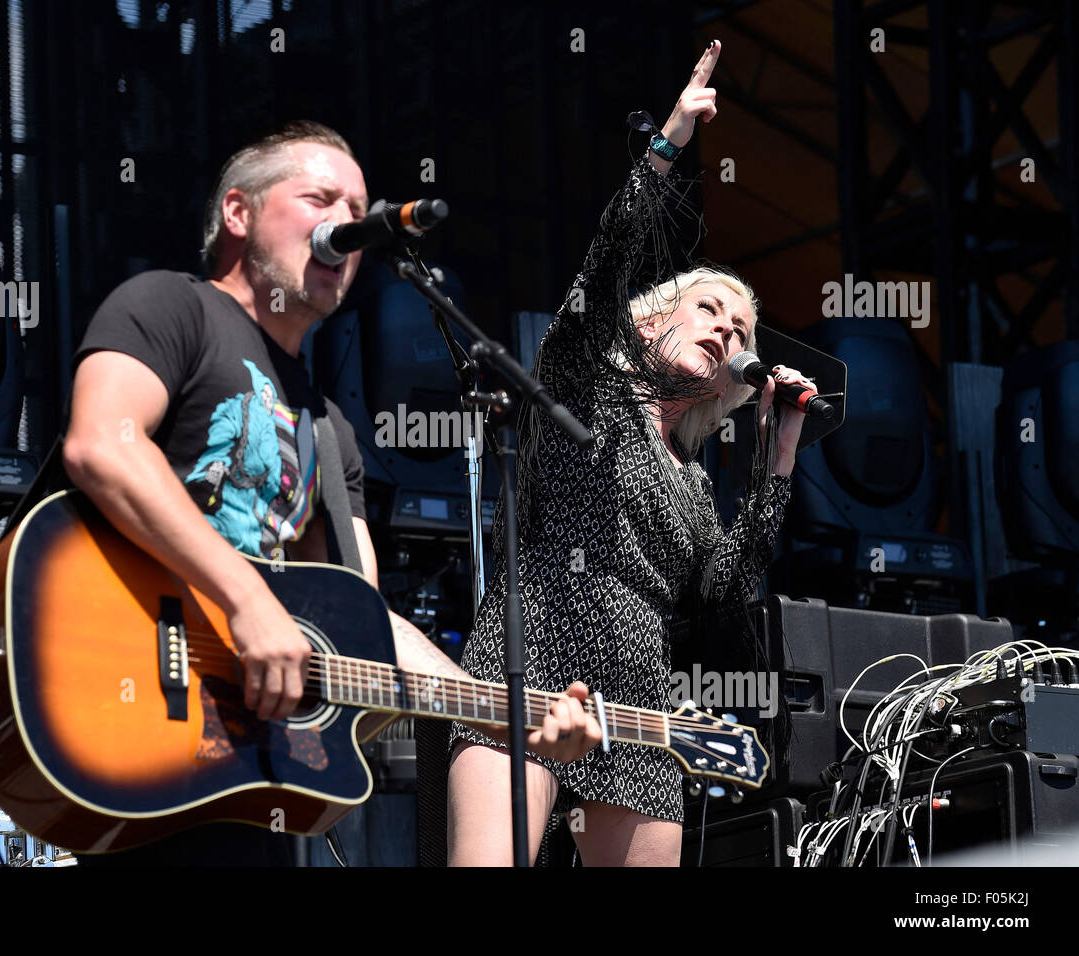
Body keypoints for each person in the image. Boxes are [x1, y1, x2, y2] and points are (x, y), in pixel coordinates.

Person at [62, 120, 601, 865]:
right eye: (321, 198)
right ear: (239, 213)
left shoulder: (329, 429)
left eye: (358, 208)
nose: (347, 223)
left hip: (241, 768)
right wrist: (248, 601)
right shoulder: (168, 306)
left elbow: (358, 620)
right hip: (123, 700)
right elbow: (102, 444)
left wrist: (508, 713)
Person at [447, 39, 818, 866]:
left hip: (642, 706)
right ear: (651, 319)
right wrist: (667, 149)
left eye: (742, 330)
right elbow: (603, 266)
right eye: (711, 309)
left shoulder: (690, 478)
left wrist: (778, 453)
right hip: (531, 659)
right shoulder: (580, 385)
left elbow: (723, 589)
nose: (728, 328)